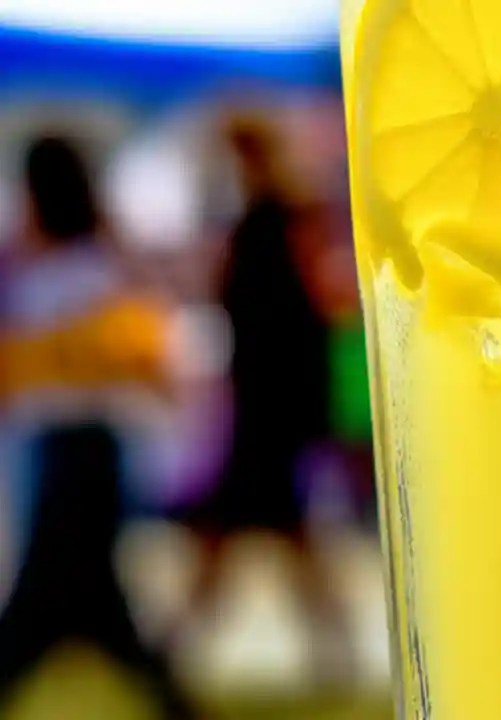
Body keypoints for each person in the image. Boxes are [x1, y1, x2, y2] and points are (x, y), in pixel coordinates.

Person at [0, 135, 196, 718]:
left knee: (46, 597)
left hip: (67, 446)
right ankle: (170, 698)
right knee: (94, 600)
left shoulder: (41, 268)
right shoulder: (105, 261)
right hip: (93, 445)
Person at [176, 115, 353, 681]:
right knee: (275, 534)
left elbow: (316, 310)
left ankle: (177, 648)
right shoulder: (267, 221)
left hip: (273, 407)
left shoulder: (282, 222)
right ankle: (332, 652)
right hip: (266, 405)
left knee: (241, 532)